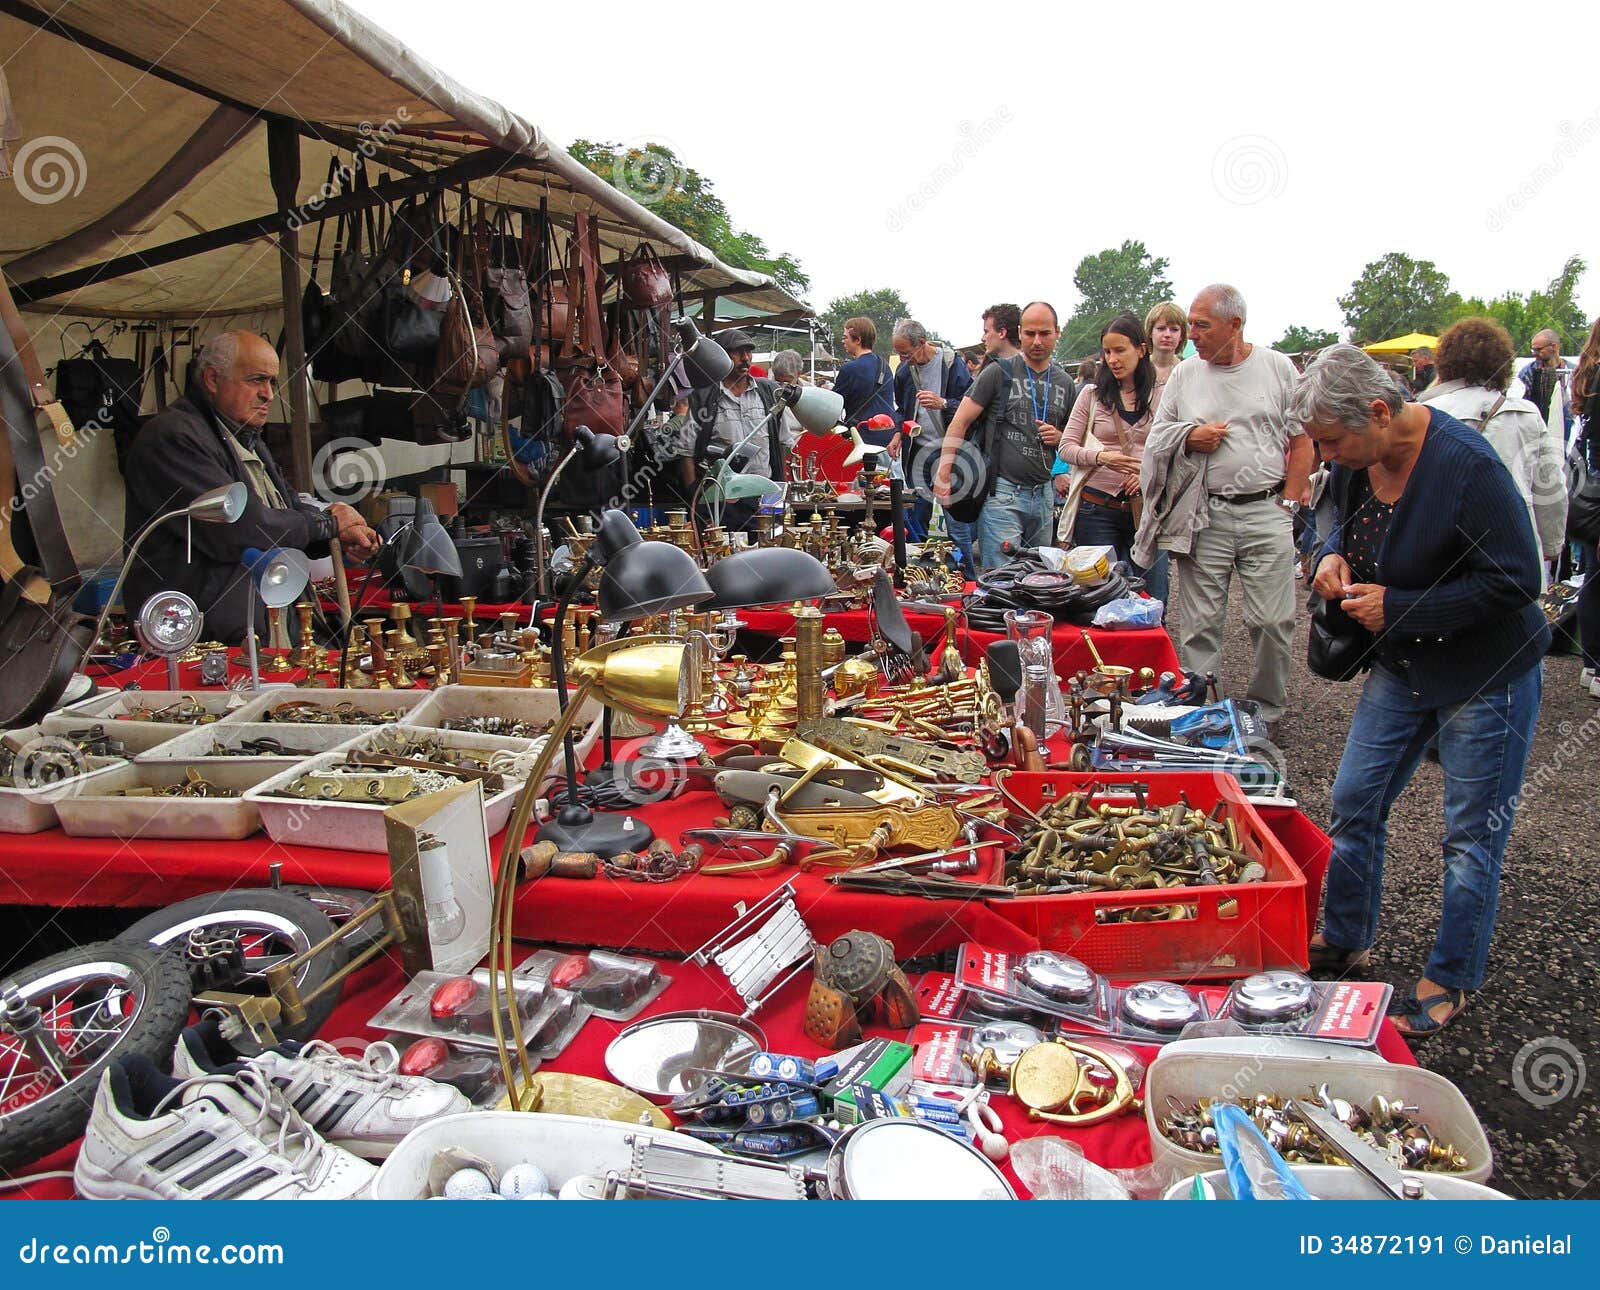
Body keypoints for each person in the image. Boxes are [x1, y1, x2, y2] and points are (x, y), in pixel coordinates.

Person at [1292, 344, 1546, 1038]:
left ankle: (1451, 977)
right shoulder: (1359, 459)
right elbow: (1340, 522)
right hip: (1404, 667)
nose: (1325, 455)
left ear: (1378, 411)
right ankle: (1347, 936)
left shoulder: (1468, 467)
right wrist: (1330, 555)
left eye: (1332, 440)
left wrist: (1402, 610)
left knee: (1470, 837)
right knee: (1354, 800)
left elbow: (1520, 581)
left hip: (1485, 674)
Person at [121, 331, 380, 646]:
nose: (269, 394)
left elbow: (285, 512)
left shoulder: (242, 436)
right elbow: (242, 529)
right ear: (213, 379)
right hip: (206, 637)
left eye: (272, 382)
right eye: (257, 380)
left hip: (259, 630)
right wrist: (328, 523)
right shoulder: (173, 438)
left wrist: (334, 535)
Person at [1136, 284, 1312, 726]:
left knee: (1273, 621)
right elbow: (1158, 437)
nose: (1191, 334)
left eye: (1201, 325)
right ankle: (1201, 710)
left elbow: (1302, 438)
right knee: (1199, 623)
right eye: (1190, 324)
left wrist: (1288, 503)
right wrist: (1189, 436)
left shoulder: (1277, 368)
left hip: (1266, 509)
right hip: (1202, 514)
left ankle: (1266, 712)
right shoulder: (1185, 374)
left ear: (1235, 324)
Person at [1421, 318, 1566, 568]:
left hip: (1442, 554)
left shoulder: (1423, 413)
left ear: (1445, 362)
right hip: (1516, 552)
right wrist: (1551, 545)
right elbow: (1550, 487)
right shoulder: (1526, 414)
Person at [934, 303, 1068, 571]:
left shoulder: (1065, 382)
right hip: (1003, 493)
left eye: (1044, 333)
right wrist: (944, 473)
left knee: (1038, 581)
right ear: (1020, 332)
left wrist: (1060, 438)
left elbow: (1074, 439)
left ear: (1057, 333)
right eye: (1030, 334)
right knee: (1002, 582)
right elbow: (960, 422)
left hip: (1043, 495)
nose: (1037, 341)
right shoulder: (999, 372)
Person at [1057, 314, 1169, 601]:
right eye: (1107, 352)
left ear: (1141, 349)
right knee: (1099, 599)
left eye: (1120, 350)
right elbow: (1066, 447)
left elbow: (1173, 452)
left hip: (1146, 510)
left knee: (1152, 599)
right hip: (1096, 510)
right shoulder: (1091, 396)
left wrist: (1146, 473)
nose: (1112, 359)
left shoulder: (1164, 396)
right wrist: (1103, 457)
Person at [892, 318, 972, 545]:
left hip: (950, 450)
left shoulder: (952, 364)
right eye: (899, 353)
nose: (902, 359)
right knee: (916, 512)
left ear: (922, 342)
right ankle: (920, 565)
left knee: (955, 516)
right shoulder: (904, 371)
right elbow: (901, 408)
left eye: (906, 353)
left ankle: (966, 574)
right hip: (918, 450)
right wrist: (898, 432)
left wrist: (943, 403)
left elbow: (972, 406)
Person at [689, 328, 779, 530]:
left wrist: (780, 488)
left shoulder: (767, 392)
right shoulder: (704, 397)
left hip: (762, 495)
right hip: (722, 498)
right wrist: (694, 497)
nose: (745, 358)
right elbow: (686, 452)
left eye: (748, 352)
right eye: (737, 352)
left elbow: (782, 443)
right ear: (721, 356)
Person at [1570, 317, 1600, 698]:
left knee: (1594, 575)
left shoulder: (1588, 375)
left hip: (1589, 487)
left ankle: (1593, 663)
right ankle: (1595, 664)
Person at [832, 316, 898, 456]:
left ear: (858, 340)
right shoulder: (885, 366)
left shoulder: (849, 369)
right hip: (888, 438)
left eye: (845, 337)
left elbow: (833, 406)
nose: (843, 341)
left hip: (862, 440)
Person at [1518, 328, 1574, 437]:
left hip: (1567, 429)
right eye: (1533, 350)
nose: (1535, 354)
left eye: (1538, 349)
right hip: (1536, 429)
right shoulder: (1526, 373)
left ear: (1554, 347)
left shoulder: (1574, 371)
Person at [1145, 300, 1187, 386]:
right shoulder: (1137, 368)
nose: (1167, 335)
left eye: (1174, 329)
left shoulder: (1188, 369)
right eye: (1161, 328)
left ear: (1181, 335)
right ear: (1150, 332)